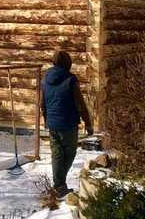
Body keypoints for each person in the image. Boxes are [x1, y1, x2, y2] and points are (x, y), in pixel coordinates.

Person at [41, 50, 93, 198]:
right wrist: (88, 123)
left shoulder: (45, 79)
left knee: (57, 154)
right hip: (68, 124)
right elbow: (81, 103)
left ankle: (59, 185)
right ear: (67, 63)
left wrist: (47, 119)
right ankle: (59, 185)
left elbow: (42, 103)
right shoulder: (70, 79)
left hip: (53, 124)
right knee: (69, 153)